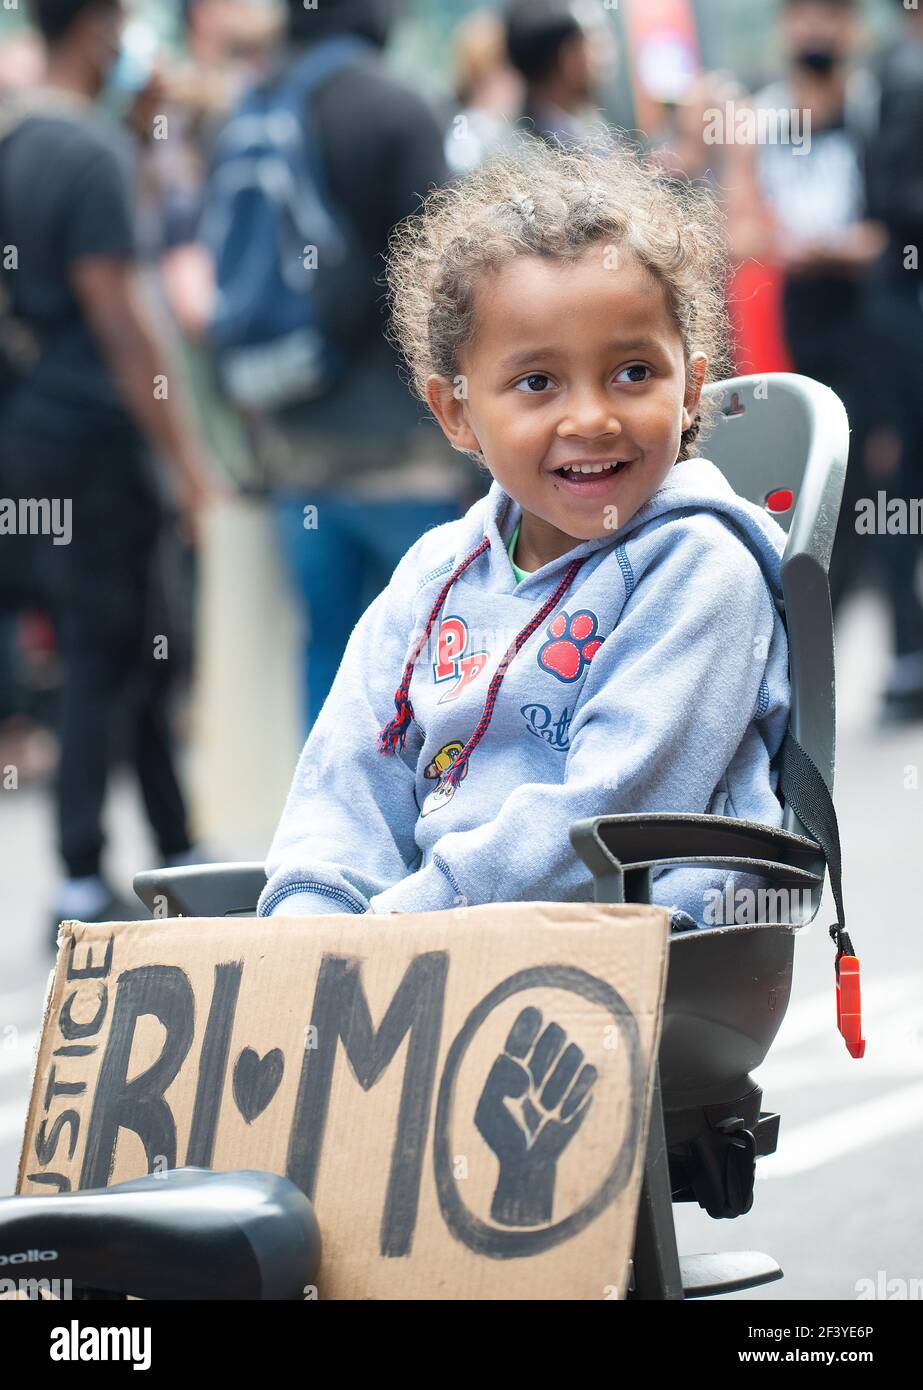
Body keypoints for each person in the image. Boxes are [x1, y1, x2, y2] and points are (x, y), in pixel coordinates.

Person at [256, 133, 792, 932]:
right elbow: (346, 781)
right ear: (457, 413)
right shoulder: (435, 572)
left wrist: (399, 925)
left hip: (652, 951)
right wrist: (310, 913)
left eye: (634, 373)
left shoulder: (702, 565)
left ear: (692, 390)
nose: (591, 416)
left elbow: (615, 807)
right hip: (443, 951)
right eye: (537, 382)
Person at [0, 0, 222, 938]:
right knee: (104, 651)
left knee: (131, 639)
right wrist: (185, 459)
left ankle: (172, 839)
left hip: (29, 438)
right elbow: (122, 322)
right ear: (93, 30)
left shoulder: (15, 143)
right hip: (97, 443)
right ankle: (81, 872)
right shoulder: (83, 154)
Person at [203, 0, 475, 736]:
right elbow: (446, 284)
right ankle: (420, 841)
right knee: (426, 656)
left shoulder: (249, 110)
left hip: (296, 440)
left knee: (327, 649)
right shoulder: (398, 107)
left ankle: (325, 835)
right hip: (403, 449)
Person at [503, 0, 616, 149]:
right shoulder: (519, 153)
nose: (605, 58)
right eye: (593, 45)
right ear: (568, 58)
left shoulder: (591, 127)